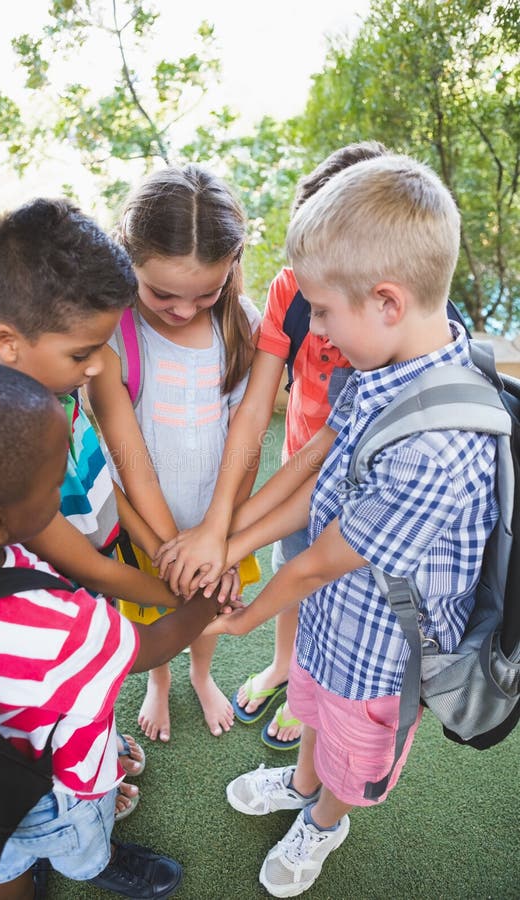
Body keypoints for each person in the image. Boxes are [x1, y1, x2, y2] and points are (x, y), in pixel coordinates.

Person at [204, 154, 499, 897]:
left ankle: (325, 820)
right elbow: (326, 482)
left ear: (388, 302)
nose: (321, 332)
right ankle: (302, 781)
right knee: (310, 706)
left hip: (382, 654)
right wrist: (240, 539)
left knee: (352, 749)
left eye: (326, 314)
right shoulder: (382, 370)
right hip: (334, 625)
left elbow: (317, 562)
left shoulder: (440, 448)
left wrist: (241, 623)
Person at [0, 357, 231, 899]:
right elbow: (151, 647)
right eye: (52, 484)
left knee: (3, 857)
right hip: (54, 787)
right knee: (79, 837)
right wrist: (204, 605)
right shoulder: (58, 627)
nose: (63, 492)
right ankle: (95, 864)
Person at [154, 142, 387, 751]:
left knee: (328, 583)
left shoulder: (390, 335)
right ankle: (284, 665)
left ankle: (310, 679)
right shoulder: (290, 290)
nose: (313, 302)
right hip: (302, 450)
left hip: (360, 476)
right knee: (292, 564)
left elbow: (332, 458)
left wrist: (225, 538)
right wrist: (221, 535)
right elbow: (258, 407)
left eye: (325, 295)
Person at [0, 197, 187, 819]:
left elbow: (99, 480)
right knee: (62, 704)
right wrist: (178, 595)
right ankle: (85, 798)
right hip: (55, 604)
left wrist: (157, 544)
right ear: (9, 341)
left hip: (94, 565)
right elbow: (82, 568)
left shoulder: (50, 386)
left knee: (92, 691)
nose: (97, 366)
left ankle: (99, 745)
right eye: (82, 353)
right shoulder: (7, 438)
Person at [87, 164, 262, 742]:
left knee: (207, 609)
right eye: (162, 292)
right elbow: (126, 457)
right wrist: (166, 549)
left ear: (231, 268)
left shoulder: (242, 325)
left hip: (217, 511)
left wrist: (222, 533)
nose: (184, 310)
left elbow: (247, 443)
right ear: (126, 259)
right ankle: (160, 682)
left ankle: (201, 673)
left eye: (204, 293)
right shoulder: (114, 332)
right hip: (147, 521)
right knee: (155, 611)